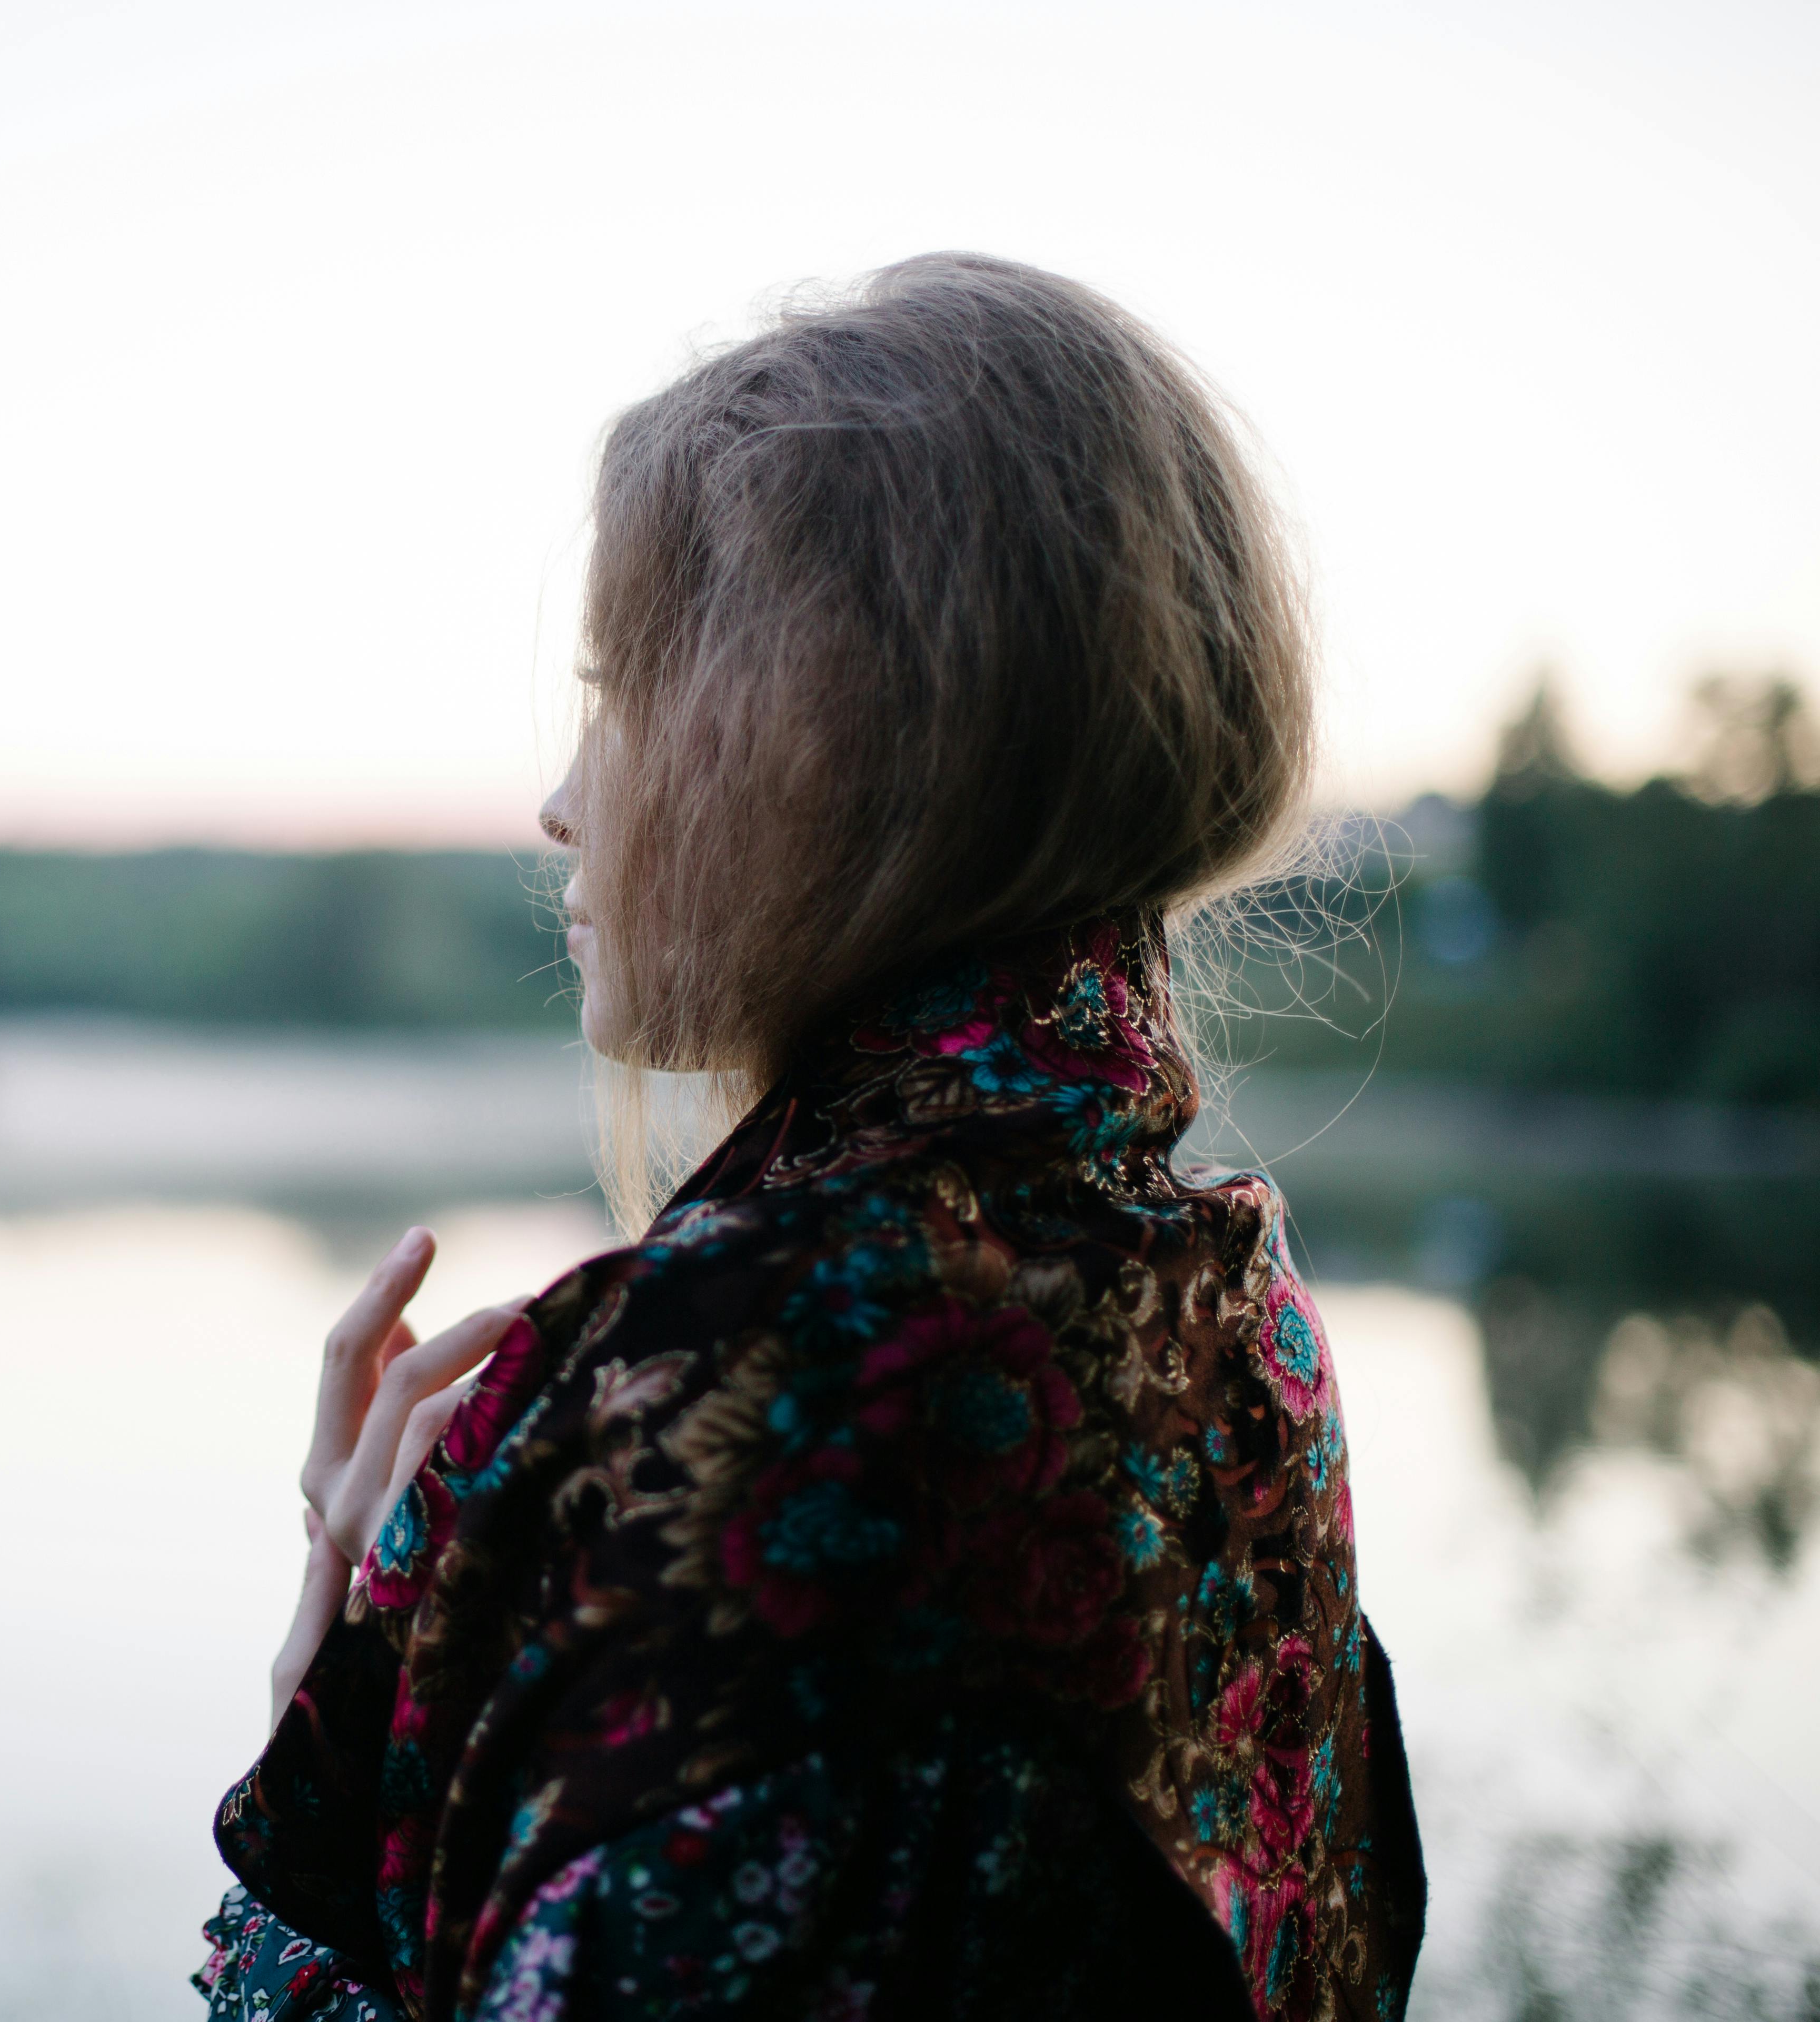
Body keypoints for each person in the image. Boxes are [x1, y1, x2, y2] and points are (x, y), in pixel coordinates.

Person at [192, 253, 1426, 2021]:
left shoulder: (725, 1379)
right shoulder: (1238, 1313)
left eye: (623, 691)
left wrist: (349, 1701)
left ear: (823, 735)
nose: (561, 801)